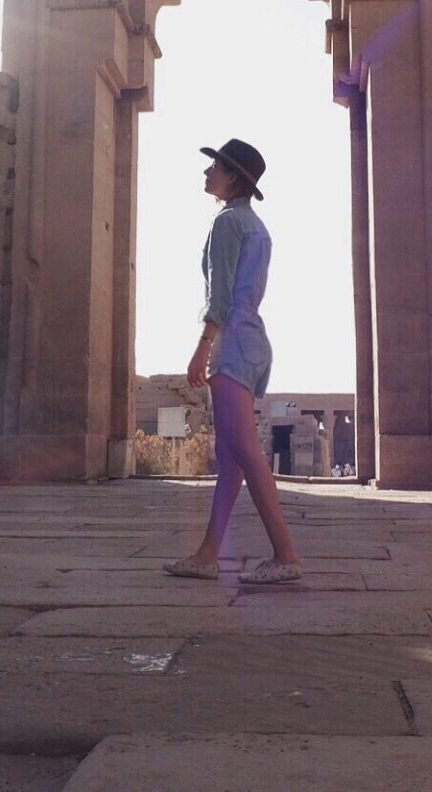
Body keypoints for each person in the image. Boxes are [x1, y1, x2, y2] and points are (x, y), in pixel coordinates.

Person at [164, 139, 303, 584]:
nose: (208, 173)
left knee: (242, 450)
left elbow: (220, 297)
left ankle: (285, 555)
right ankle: (207, 554)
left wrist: (203, 345)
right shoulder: (256, 226)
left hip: (233, 343)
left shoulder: (226, 224)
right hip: (254, 342)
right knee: (231, 457)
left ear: (232, 177)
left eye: (216, 167)